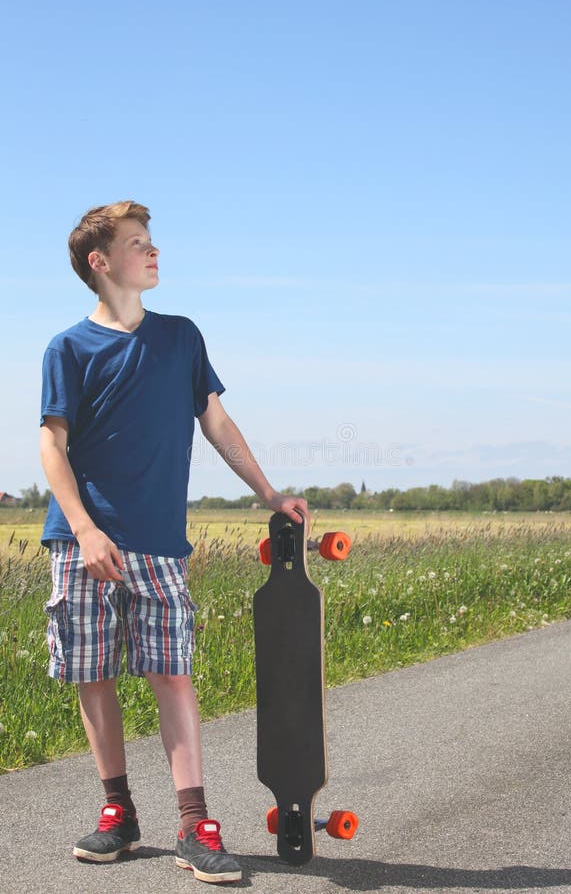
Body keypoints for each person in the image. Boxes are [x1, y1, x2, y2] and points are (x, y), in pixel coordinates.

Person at [39, 200, 309, 885]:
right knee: (93, 675)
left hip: (159, 545)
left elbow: (215, 421)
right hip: (83, 542)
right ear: (101, 262)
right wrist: (86, 529)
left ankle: (194, 824)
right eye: (138, 243)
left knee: (172, 674)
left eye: (151, 241)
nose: (153, 251)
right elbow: (51, 445)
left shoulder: (181, 337)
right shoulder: (68, 348)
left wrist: (269, 494)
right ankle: (118, 813)